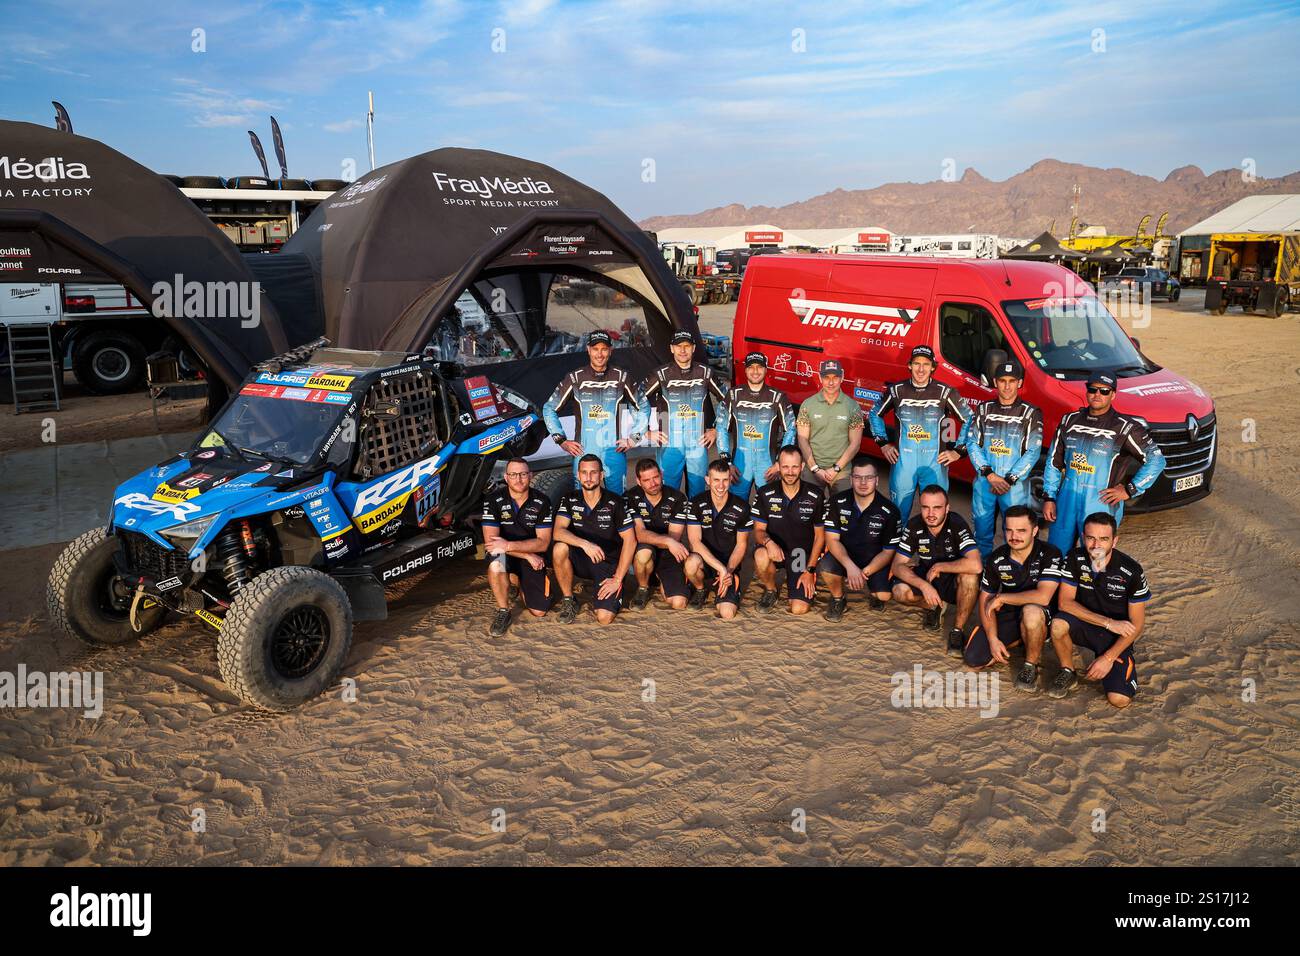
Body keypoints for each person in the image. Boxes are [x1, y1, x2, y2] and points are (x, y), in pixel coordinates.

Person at [1042, 370, 1165, 552]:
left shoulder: (1125, 427)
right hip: (1067, 499)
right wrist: (1049, 497)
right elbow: (1053, 462)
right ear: (1087, 392)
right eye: (1093, 389)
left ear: (1113, 394)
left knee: (1097, 560)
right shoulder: (1069, 421)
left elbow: (1157, 460)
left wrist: (1131, 489)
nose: (1097, 394)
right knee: (1055, 555)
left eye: (1104, 391)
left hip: (1101, 503)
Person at [1047, 511, 1150, 707]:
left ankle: (1119, 662)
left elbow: (1137, 624)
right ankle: (1068, 671)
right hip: (1090, 624)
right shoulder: (1074, 557)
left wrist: (1108, 658)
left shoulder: (1132, 571)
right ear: (1083, 537)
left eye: (1103, 539)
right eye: (1091, 538)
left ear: (1115, 540)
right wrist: (1108, 623)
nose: (1096, 545)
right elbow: (1065, 603)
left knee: (1119, 700)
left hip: (1116, 635)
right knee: (1058, 624)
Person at [963, 506, 1064, 692]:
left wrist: (1002, 597)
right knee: (974, 660)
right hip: (1011, 611)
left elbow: (1043, 596)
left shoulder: (1051, 554)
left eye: (1021, 530)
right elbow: (986, 600)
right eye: (1009, 530)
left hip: (1044, 613)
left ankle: (1030, 666)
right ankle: (1021, 637)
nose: (1014, 536)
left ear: (1034, 531)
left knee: (1031, 612)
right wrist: (992, 639)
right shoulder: (997, 558)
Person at [869, 345, 969, 520]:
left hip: (934, 463)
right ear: (909, 365)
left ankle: (932, 547)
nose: (921, 369)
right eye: (916, 363)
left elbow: (970, 419)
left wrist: (958, 451)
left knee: (935, 515)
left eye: (926, 364)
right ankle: (898, 547)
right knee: (897, 517)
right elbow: (874, 414)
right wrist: (883, 444)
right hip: (903, 464)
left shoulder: (945, 392)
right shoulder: (896, 390)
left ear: (933, 367)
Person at [959, 359, 1043, 556]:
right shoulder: (983, 409)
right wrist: (989, 475)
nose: (1007, 386)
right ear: (995, 382)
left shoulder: (1031, 413)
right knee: (982, 534)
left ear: (1020, 383)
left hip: (1013, 486)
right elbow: (972, 444)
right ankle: (983, 574)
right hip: (985, 482)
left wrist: (1009, 479)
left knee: (1016, 536)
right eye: (1002, 380)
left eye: (1012, 381)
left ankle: (1012, 573)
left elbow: (1033, 451)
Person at [542, 330, 643, 493]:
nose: (600, 354)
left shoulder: (621, 377)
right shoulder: (575, 378)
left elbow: (641, 406)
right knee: (582, 500)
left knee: (618, 500)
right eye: (595, 349)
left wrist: (634, 438)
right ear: (588, 350)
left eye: (604, 349)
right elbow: (549, 409)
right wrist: (561, 440)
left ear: (611, 351)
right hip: (584, 450)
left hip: (614, 451)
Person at [890, 484, 982, 654]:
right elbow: (897, 565)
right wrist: (924, 586)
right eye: (926, 507)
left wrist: (940, 566)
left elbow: (976, 565)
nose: (931, 514)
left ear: (947, 508)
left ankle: (957, 631)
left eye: (937, 507)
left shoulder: (956, 523)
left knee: (970, 577)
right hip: (928, 577)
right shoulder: (914, 525)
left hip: (954, 580)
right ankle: (935, 606)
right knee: (899, 591)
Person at [638, 331, 729, 496]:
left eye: (687, 346)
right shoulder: (661, 374)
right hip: (669, 444)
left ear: (693, 348)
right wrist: (644, 432)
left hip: (698, 444)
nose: (682, 350)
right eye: (678, 346)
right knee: (667, 494)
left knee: (698, 494)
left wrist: (716, 429)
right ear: (672, 348)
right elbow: (636, 399)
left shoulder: (705, 373)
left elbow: (729, 401)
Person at [551, 454, 636, 624]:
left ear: (601, 475)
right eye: (584, 472)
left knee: (604, 618)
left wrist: (618, 578)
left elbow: (630, 541)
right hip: (582, 557)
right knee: (559, 548)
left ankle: (615, 587)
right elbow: (558, 532)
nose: (588, 477)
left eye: (593, 472)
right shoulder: (569, 499)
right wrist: (585, 544)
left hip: (607, 562)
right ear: (578, 475)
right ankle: (569, 600)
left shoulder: (615, 502)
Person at [817, 455, 901, 622]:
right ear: (851, 479)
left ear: (877, 480)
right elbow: (832, 540)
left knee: (884, 595)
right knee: (826, 567)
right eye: (858, 477)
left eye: (868, 477)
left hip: (874, 561)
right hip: (845, 557)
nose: (863, 483)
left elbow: (888, 552)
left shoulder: (890, 511)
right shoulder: (837, 502)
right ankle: (838, 598)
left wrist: (864, 573)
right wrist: (850, 567)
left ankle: (875, 595)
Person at [481, 458, 555, 637]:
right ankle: (503, 611)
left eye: (523, 474)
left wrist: (508, 545)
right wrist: (527, 555)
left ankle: (518, 580)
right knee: (496, 562)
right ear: (506, 477)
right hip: (513, 554)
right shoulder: (493, 500)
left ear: (530, 475)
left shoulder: (542, 501)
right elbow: (492, 544)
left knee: (539, 611)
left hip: (530, 555)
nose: (518, 479)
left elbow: (543, 542)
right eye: (513, 475)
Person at [752, 445, 826, 615]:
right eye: (785, 466)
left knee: (799, 609)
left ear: (802, 467)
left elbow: (819, 538)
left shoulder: (816, 495)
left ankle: (802, 581)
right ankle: (771, 591)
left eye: (794, 467)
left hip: (799, 554)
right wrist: (769, 542)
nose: (790, 472)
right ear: (778, 466)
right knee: (760, 555)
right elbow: (758, 531)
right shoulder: (765, 493)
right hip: (775, 551)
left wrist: (810, 570)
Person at [716, 352, 796, 498]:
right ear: (745, 370)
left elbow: (790, 429)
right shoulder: (733, 395)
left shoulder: (778, 397)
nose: (755, 371)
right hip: (739, 466)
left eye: (759, 367)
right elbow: (721, 428)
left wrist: (780, 463)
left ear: (766, 370)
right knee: (736, 510)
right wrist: (726, 462)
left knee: (770, 510)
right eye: (751, 367)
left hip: (768, 466)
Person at [684, 459, 753, 619]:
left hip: (729, 565)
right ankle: (701, 589)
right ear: (707, 480)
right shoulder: (695, 503)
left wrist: (727, 571)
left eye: (724, 480)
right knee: (691, 563)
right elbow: (695, 542)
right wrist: (719, 569)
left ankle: (730, 582)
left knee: (727, 614)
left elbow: (741, 545)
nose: (720, 486)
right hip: (706, 561)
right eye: (716, 480)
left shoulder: (742, 507)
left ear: (730, 480)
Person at [624, 458, 692, 611]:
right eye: (646, 480)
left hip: (669, 552)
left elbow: (674, 537)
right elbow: (639, 534)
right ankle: (643, 588)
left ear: (661, 475)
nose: (653, 483)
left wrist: (669, 543)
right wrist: (668, 542)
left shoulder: (678, 498)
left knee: (678, 603)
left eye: (655, 477)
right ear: (639, 481)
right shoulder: (629, 497)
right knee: (644, 553)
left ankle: (661, 576)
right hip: (645, 548)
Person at [796, 359, 864, 495]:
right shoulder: (808, 404)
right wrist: (814, 468)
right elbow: (802, 439)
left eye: (835, 377)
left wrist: (836, 469)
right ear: (820, 378)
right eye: (826, 377)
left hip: (841, 472)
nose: (831, 382)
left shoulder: (852, 407)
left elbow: (855, 444)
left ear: (842, 377)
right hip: (812, 470)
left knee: (842, 514)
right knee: (809, 512)